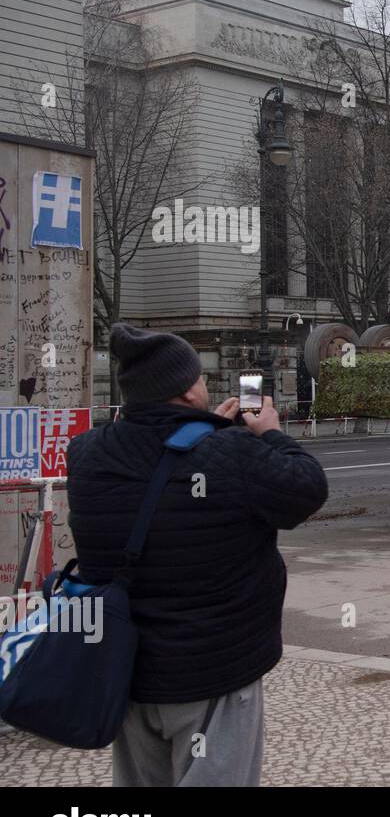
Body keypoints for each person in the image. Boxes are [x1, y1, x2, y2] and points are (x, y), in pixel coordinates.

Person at [67, 324, 329, 786]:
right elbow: (306, 488)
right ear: (189, 390)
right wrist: (267, 434)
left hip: (125, 674)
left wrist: (212, 437)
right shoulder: (231, 452)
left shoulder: (86, 454)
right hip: (212, 675)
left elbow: (162, 473)